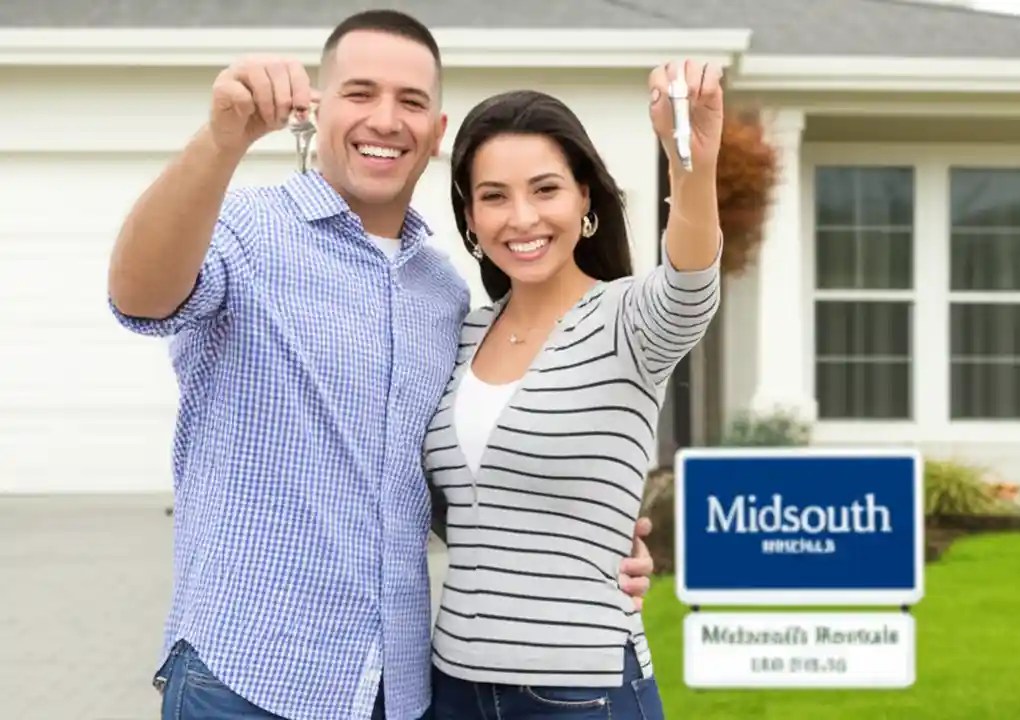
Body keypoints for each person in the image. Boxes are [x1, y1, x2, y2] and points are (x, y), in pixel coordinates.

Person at [104, 10, 653, 720]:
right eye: (360, 93)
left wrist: (578, 538)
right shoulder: (242, 231)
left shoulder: (445, 293)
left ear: (436, 131)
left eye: (411, 102)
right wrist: (221, 141)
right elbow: (138, 297)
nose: (385, 120)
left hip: (396, 689)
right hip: (247, 677)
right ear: (318, 106)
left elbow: (435, 488)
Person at [420, 60, 723, 720]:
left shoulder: (628, 320)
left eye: (545, 189)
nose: (521, 217)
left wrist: (688, 164)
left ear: (585, 198)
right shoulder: (460, 335)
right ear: (469, 218)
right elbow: (460, 508)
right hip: (450, 686)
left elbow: (691, 280)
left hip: (579, 691)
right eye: (494, 196)